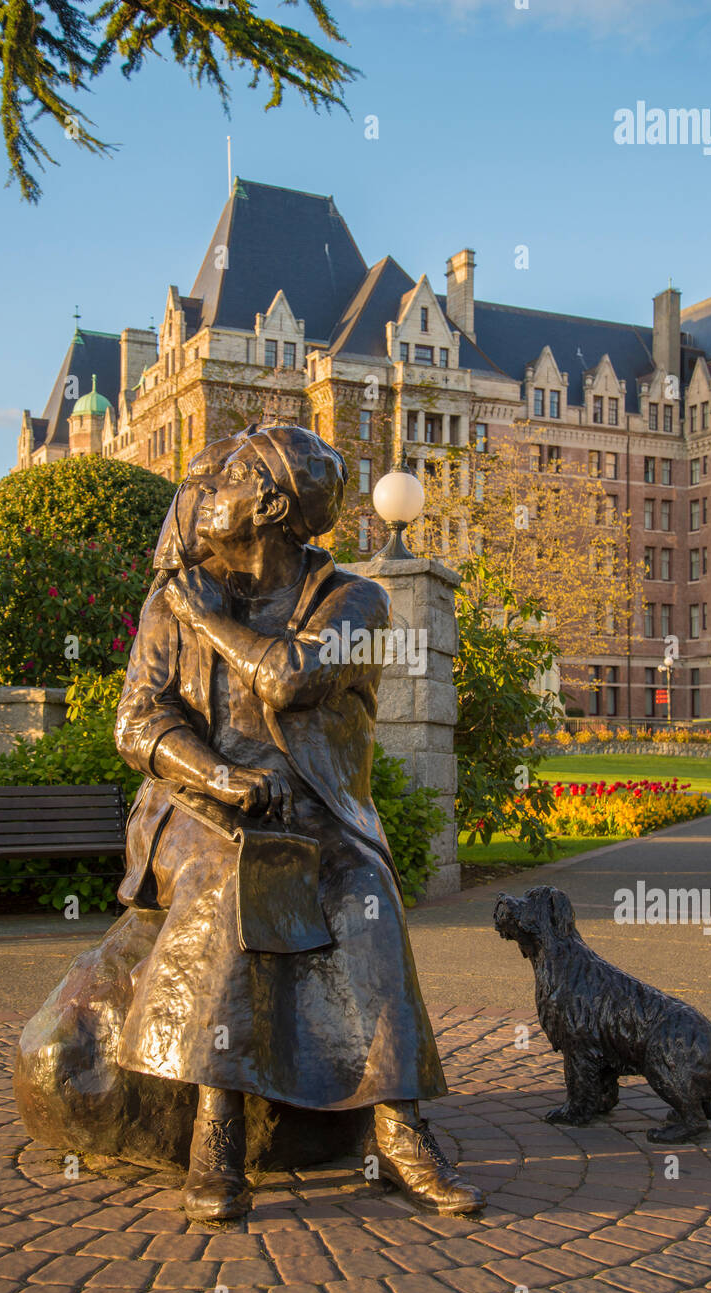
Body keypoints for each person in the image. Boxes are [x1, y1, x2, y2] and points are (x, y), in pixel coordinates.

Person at [114, 423, 484, 1220]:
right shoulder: (171, 599)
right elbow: (137, 723)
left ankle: (399, 1127)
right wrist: (219, 776)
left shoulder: (355, 600)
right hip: (197, 809)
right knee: (229, 879)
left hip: (320, 815)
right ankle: (216, 1134)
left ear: (274, 503)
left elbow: (289, 678)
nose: (205, 493)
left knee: (366, 897)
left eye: (229, 479)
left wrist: (207, 618)